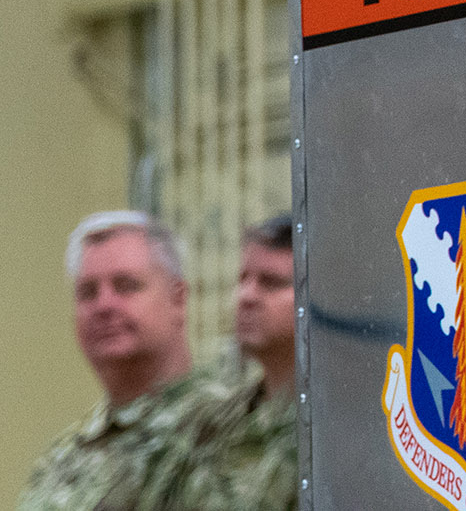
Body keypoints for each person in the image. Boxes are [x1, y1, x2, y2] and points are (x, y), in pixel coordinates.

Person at [20, 212, 226, 511]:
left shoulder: (225, 428)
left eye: (126, 285)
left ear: (178, 299)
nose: (104, 305)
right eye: (88, 292)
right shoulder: (62, 460)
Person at [158, 214, 301, 510]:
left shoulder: (333, 427)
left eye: (271, 283)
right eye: (243, 279)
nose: (246, 296)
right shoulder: (211, 424)